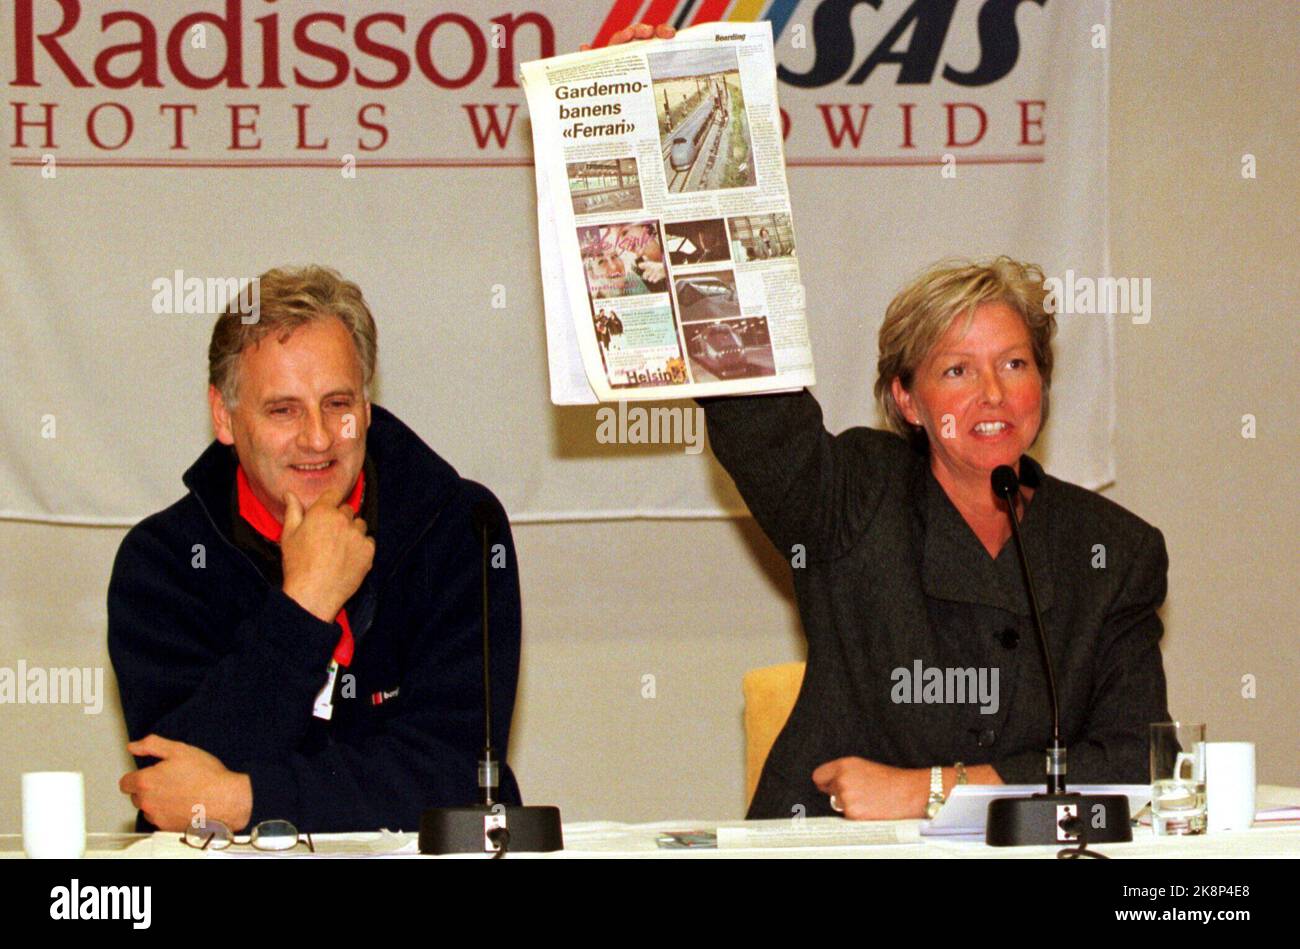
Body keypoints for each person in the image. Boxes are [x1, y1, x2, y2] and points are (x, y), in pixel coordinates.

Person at [699, 256, 1172, 819]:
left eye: (1015, 364)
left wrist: (935, 788)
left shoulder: (1114, 550)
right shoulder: (852, 492)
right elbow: (760, 422)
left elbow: (1139, 759)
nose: (992, 393)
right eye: (957, 371)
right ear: (906, 400)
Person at [108, 265, 523, 834]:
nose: (319, 438)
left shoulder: (461, 529)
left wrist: (247, 800)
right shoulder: (161, 564)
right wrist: (303, 606)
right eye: (283, 410)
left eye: (337, 404)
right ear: (224, 417)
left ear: (368, 407)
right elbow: (173, 787)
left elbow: (461, 780)